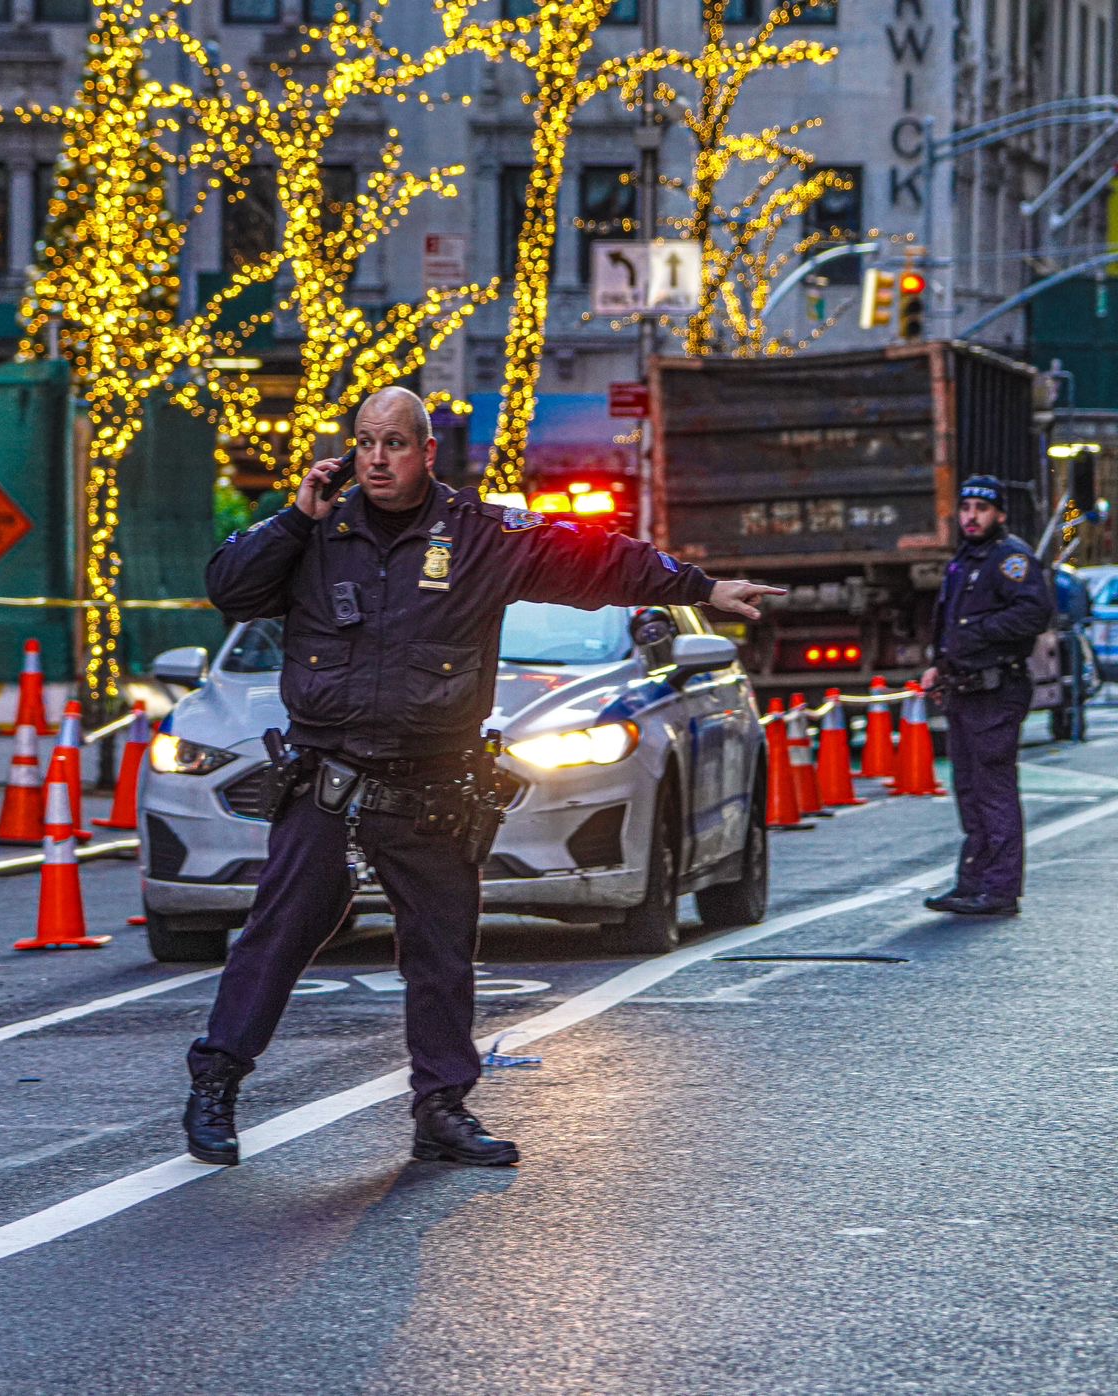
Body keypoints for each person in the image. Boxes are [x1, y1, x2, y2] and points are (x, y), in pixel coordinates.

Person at [184, 386, 781, 1168]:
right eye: (364, 442)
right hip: (327, 774)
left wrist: (702, 588)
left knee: (440, 953)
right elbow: (230, 589)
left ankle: (441, 1110)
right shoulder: (317, 529)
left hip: (431, 779)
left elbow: (593, 557)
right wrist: (297, 517)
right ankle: (216, 1086)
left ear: (427, 452)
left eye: (394, 443)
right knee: (276, 933)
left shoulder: (479, 535)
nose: (375, 458)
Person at [920, 474, 1051, 917]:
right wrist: (941, 664)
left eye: (981, 509)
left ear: (999, 514)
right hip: (964, 692)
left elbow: (1033, 613)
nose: (971, 517)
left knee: (993, 793)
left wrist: (977, 636)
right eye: (965, 509)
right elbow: (950, 624)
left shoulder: (1010, 559)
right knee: (969, 792)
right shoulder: (966, 558)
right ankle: (972, 881)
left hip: (996, 692)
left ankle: (999, 889)